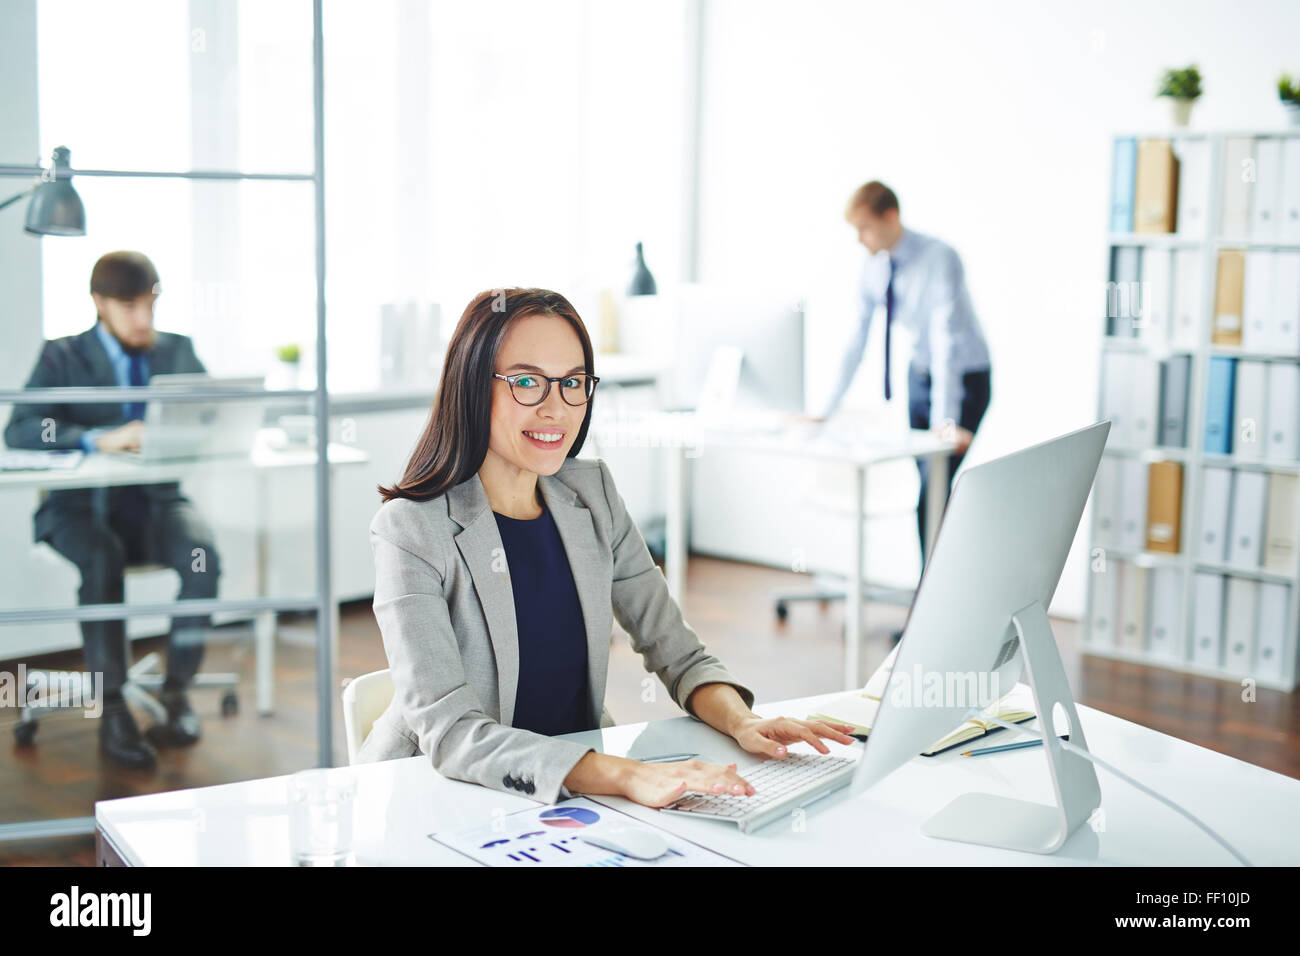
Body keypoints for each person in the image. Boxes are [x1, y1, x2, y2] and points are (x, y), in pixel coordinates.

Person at [358, 287, 856, 807]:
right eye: (527, 381)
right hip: (436, 797)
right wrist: (625, 774)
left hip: (574, 795)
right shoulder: (410, 530)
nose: (556, 408)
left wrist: (745, 720)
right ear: (472, 386)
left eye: (572, 382)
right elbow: (453, 734)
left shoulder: (591, 493)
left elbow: (679, 653)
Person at [4, 251, 221, 771]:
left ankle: (175, 692)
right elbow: (24, 429)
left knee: (201, 560)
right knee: (103, 559)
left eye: (151, 304)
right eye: (129, 306)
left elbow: (214, 410)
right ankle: (116, 708)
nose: (144, 319)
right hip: (77, 514)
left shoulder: (177, 351)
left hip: (155, 506)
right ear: (99, 304)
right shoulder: (62, 356)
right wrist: (95, 439)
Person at [813, 181, 992, 571]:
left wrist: (947, 421)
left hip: (965, 379)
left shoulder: (940, 257)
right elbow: (856, 340)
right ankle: (934, 597)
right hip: (919, 379)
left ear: (890, 217)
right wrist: (825, 409)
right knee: (931, 494)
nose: (860, 240)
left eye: (865, 228)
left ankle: (932, 602)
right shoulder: (875, 267)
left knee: (933, 491)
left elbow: (945, 341)